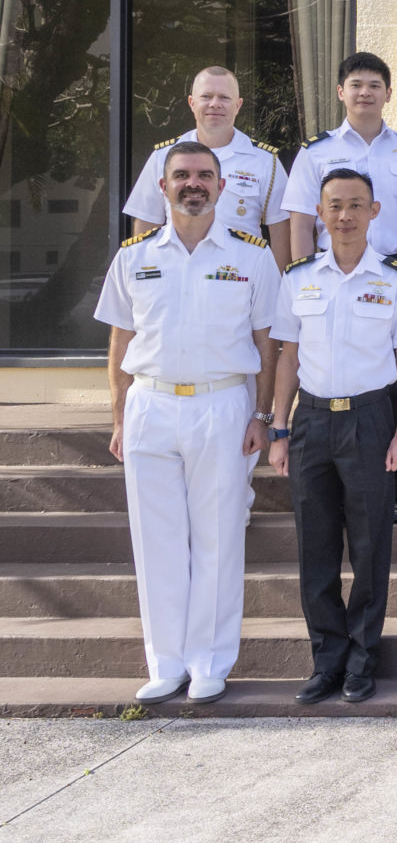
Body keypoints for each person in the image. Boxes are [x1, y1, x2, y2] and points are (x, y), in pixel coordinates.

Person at [95, 141, 280, 703]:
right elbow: (119, 341)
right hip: (150, 405)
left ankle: (209, 662)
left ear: (223, 187)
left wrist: (264, 415)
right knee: (158, 541)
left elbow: (267, 342)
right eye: (182, 175)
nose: (193, 184)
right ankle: (166, 662)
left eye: (204, 175)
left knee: (219, 538)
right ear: (163, 186)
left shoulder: (252, 256)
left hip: (223, 407)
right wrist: (120, 415)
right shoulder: (134, 256)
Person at [266, 168, 397, 705]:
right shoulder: (298, 277)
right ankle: (326, 660)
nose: (345, 216)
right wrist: (279, 428)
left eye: (356, 205)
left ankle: (362, 660)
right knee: (315, 547)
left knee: (369, 546)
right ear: (320, 212)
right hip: (312, 421)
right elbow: (287, 357)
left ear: (375, 211)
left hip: (370, 419)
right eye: (335, 205)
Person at [283, 52, 397, 297]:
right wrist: (303, 281)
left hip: (394, 272)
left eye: (374, 86)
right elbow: (301, 224)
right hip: (330, 271)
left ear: (388, 94)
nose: (365, 92)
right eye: (356, 85)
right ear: (341, 92)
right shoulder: (316, 152)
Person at [124, 66, 290, 272]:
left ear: (238, 105)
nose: (215, 104)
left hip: (241, 281)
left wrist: (277, 290)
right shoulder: (163, 157)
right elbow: (146, 223)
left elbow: (281, 232)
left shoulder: (264, 161)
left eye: (224, 98)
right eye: (206, 96)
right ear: (192, 103)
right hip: (176, 276)